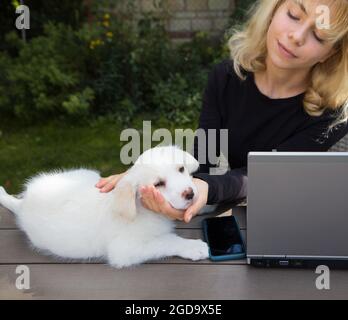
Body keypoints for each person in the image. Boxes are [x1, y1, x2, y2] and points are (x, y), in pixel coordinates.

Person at [96, 0, 348, 223]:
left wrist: (206, 188)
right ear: (274, 9)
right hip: (247, 218)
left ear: (331, 53)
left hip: (299, 224)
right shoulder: (226, 77)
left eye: (318, 35)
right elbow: (203, 157)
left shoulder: (333, 115)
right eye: (294, 14)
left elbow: (268, 174)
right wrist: (147, 175)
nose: (296, 36)